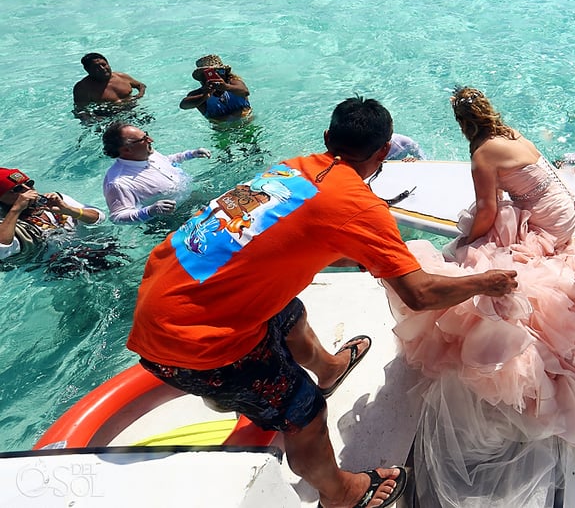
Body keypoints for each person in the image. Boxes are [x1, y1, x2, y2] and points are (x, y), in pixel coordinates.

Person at [125, 97, 517, 508]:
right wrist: (485, 282)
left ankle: (329, 368)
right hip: (198, 350)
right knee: (306, 414)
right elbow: (420, 294)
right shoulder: (360, 207)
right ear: (385, 151)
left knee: (289, 312)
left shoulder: (289, 169)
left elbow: (295, 234)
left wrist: (368, 254)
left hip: (157, 309)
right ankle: (341, 494)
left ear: (327, 137)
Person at [386, 87, 575, 507]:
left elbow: (488, 210)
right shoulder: (512, 136)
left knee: (466, 258)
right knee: (483, 243)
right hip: (566, 220)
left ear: (463, 124)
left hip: (549, 232)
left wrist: (464, 240)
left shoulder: (483, 154)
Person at [101, 122, 211, 224]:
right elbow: (117, 217)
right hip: (172, 220)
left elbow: (167, 161)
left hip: (192, 197)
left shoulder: (146, 153)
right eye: (144, 139)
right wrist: (149, 211)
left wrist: (189, 154)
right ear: (126, 150)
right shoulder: (118, 183)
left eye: (146, 135)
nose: (150, 140)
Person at [0, 167, 104, 260]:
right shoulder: (7, 226)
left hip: (98, 248)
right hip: (61, 270)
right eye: (17, 189)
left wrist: (69, 210)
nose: (28, 190)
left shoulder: (56, 200)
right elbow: (3, 251)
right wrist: (16, 210)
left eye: (29, 183)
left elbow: (99, 218)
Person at [179, 55, 252, 124]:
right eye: (212, 73)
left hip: (246, 123)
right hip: (223, 132)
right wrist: (204, 96)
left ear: (226, 73)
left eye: (220, 71)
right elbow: (184, 105)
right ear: (203, 77)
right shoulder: (200, 94)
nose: (218, 75)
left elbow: (245, 91)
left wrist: (226, 87)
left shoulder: (234, 83)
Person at [72, 53, 146, 114]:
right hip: (109, 118)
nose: (102, 68)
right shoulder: (83, 88)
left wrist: (139, 95)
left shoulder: (121, 77)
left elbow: (141, 86)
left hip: (133, 110)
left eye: (104, 65)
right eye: (96, 67)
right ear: (87, 70)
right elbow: (79, 110)